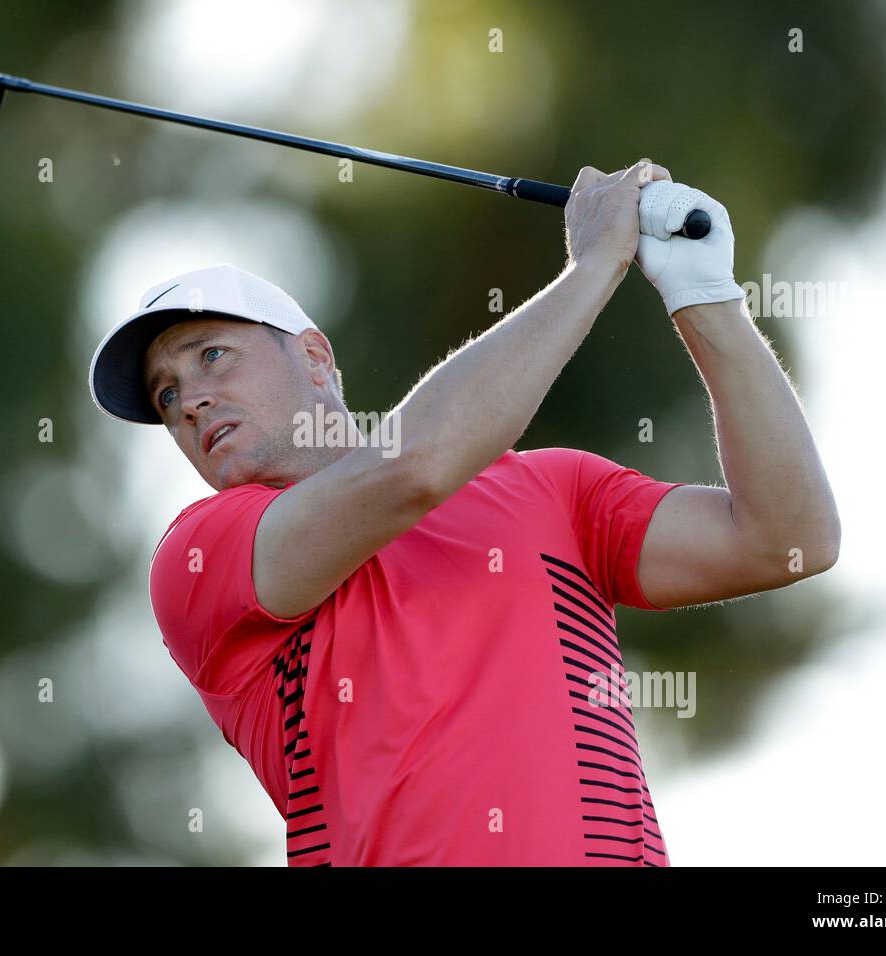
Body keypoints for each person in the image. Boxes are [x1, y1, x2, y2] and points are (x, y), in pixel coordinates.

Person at [88, 161, 841, 866]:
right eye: (166, 395)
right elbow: (415, 468)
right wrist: (593, 268)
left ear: (316, 359)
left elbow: (788, 540)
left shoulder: (555, 492)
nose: (190, 401)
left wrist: (703, 297)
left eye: (211, 356)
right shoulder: (200, 557)